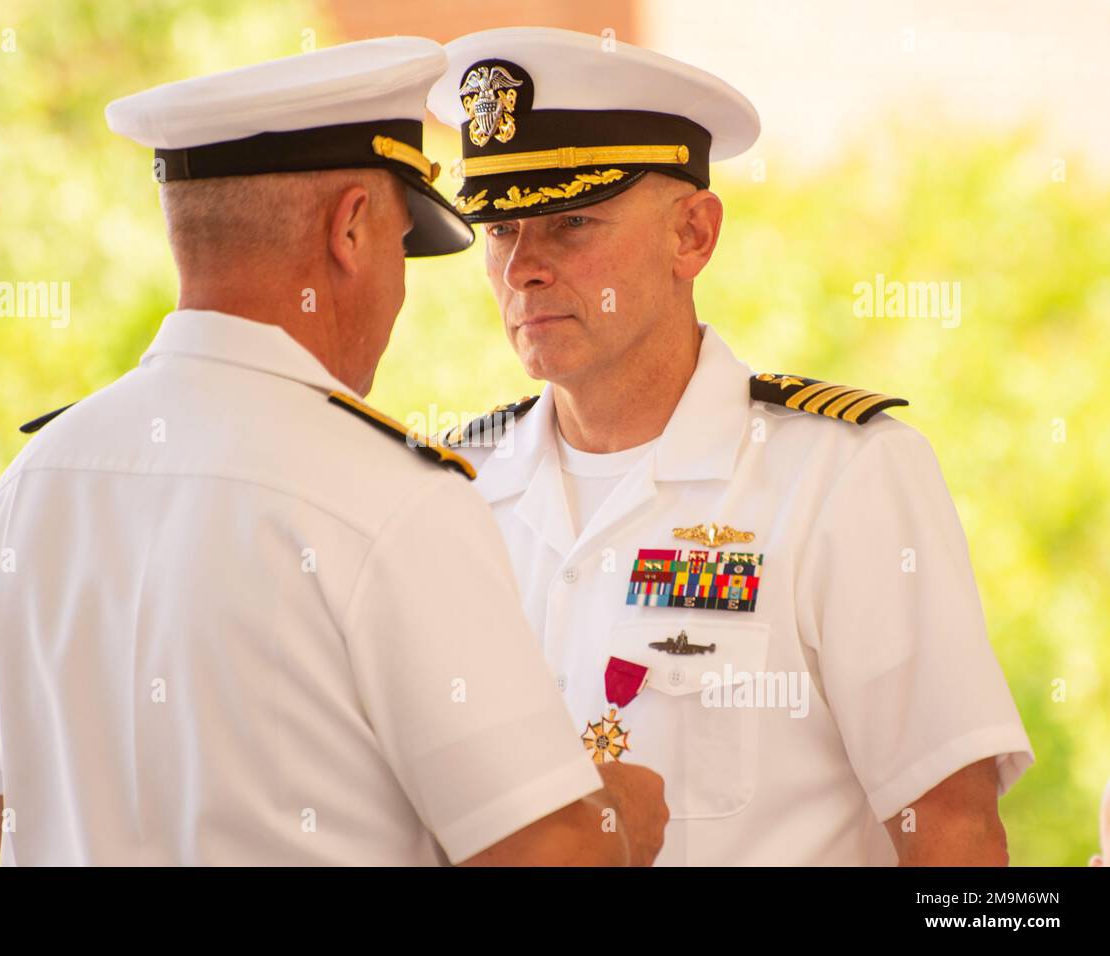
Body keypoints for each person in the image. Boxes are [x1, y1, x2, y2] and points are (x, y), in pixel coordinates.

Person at [0, 36, 668, 866]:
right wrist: (617, 821)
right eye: (403, 245)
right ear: (352, 228)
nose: (400, 289)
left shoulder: (23, 493)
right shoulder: (387, 501)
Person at [427, 26, 1033, 866]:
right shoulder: (450, 493)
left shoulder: (839, 476)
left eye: (569, 222)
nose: (524, 266)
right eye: (499, 229)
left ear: (693, 236)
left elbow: (953, 833)